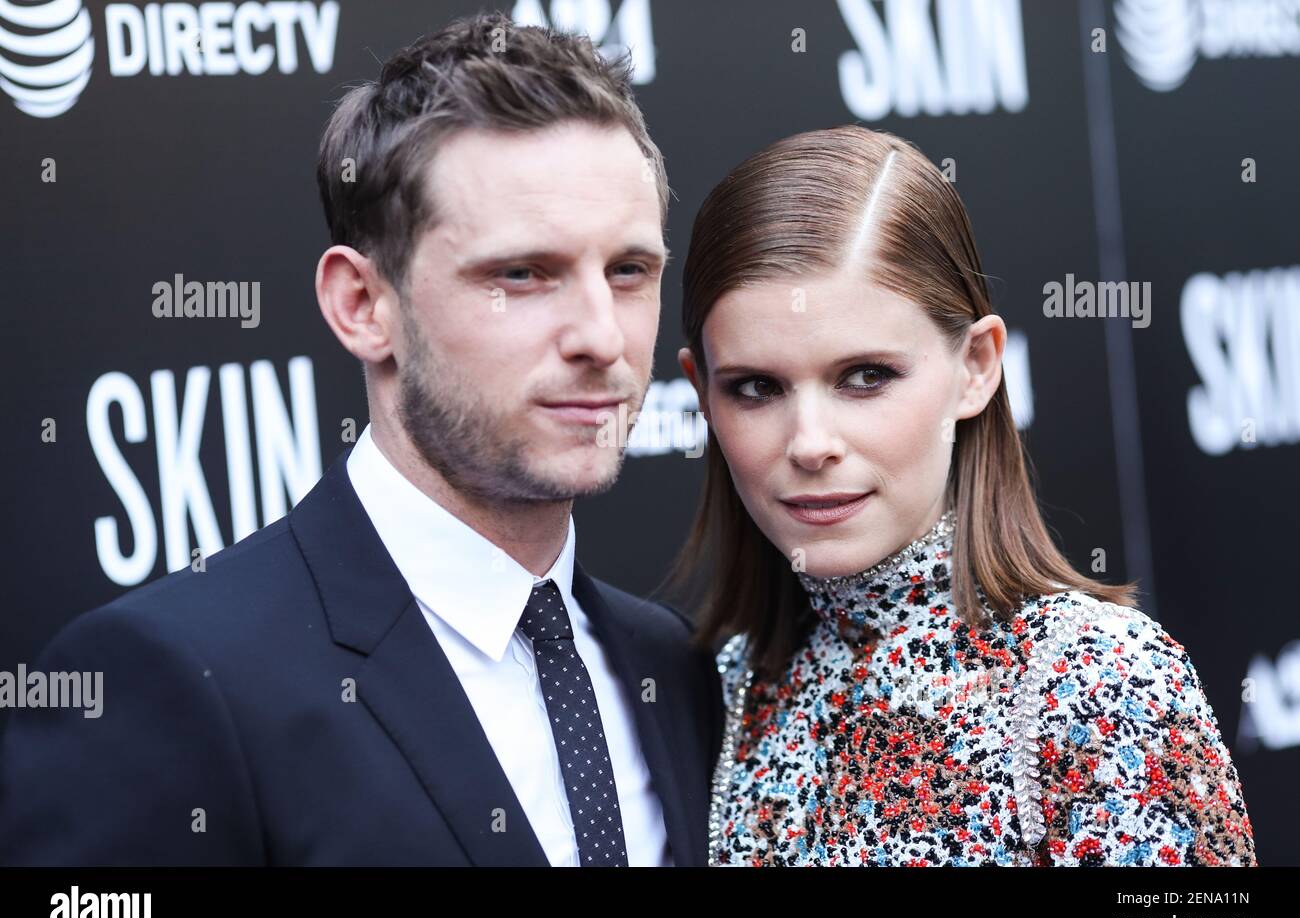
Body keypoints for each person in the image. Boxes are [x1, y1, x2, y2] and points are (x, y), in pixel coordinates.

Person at [0, 13, 720, 867]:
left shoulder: (673, 667)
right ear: (362, 306)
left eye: (628, 271)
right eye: (522, 275)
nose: (602, 337)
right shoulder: (172, 682)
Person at [671, 125, 1257, 866]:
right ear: (701, 394)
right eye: (756, 388)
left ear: (976, 366)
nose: (810, 441)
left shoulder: (1093, 681)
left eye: (866, 376)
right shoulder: (718, 696)